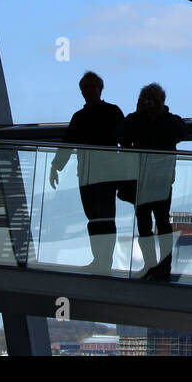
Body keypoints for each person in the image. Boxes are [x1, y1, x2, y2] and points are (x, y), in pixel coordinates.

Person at [50, 71, 125, 273]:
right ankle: (100, 260)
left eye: (93, 86)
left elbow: (125, 140)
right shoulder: (88, 115)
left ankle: (103, 261)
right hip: (90, 173)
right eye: (87, 87)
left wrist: (56, 166)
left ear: (100, 90)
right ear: (82, 91)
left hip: (100, 173)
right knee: (95, 218)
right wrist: (55, 166)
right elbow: (68, 143)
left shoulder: (106, 113)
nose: (90, 90)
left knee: (103, 218)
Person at [120, 83, 186, 282]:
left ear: (161, 100)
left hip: (160, 179)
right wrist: (137, 114)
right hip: (143, 179)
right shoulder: (137, 119)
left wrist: (159, 115)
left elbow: (180, 132)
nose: (149, 103)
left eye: (152, 99)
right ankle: (151, 265)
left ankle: (163, 268)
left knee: (161, 223)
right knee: (145, 224)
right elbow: (122, 137)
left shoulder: (170, 120)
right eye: (146, 99)